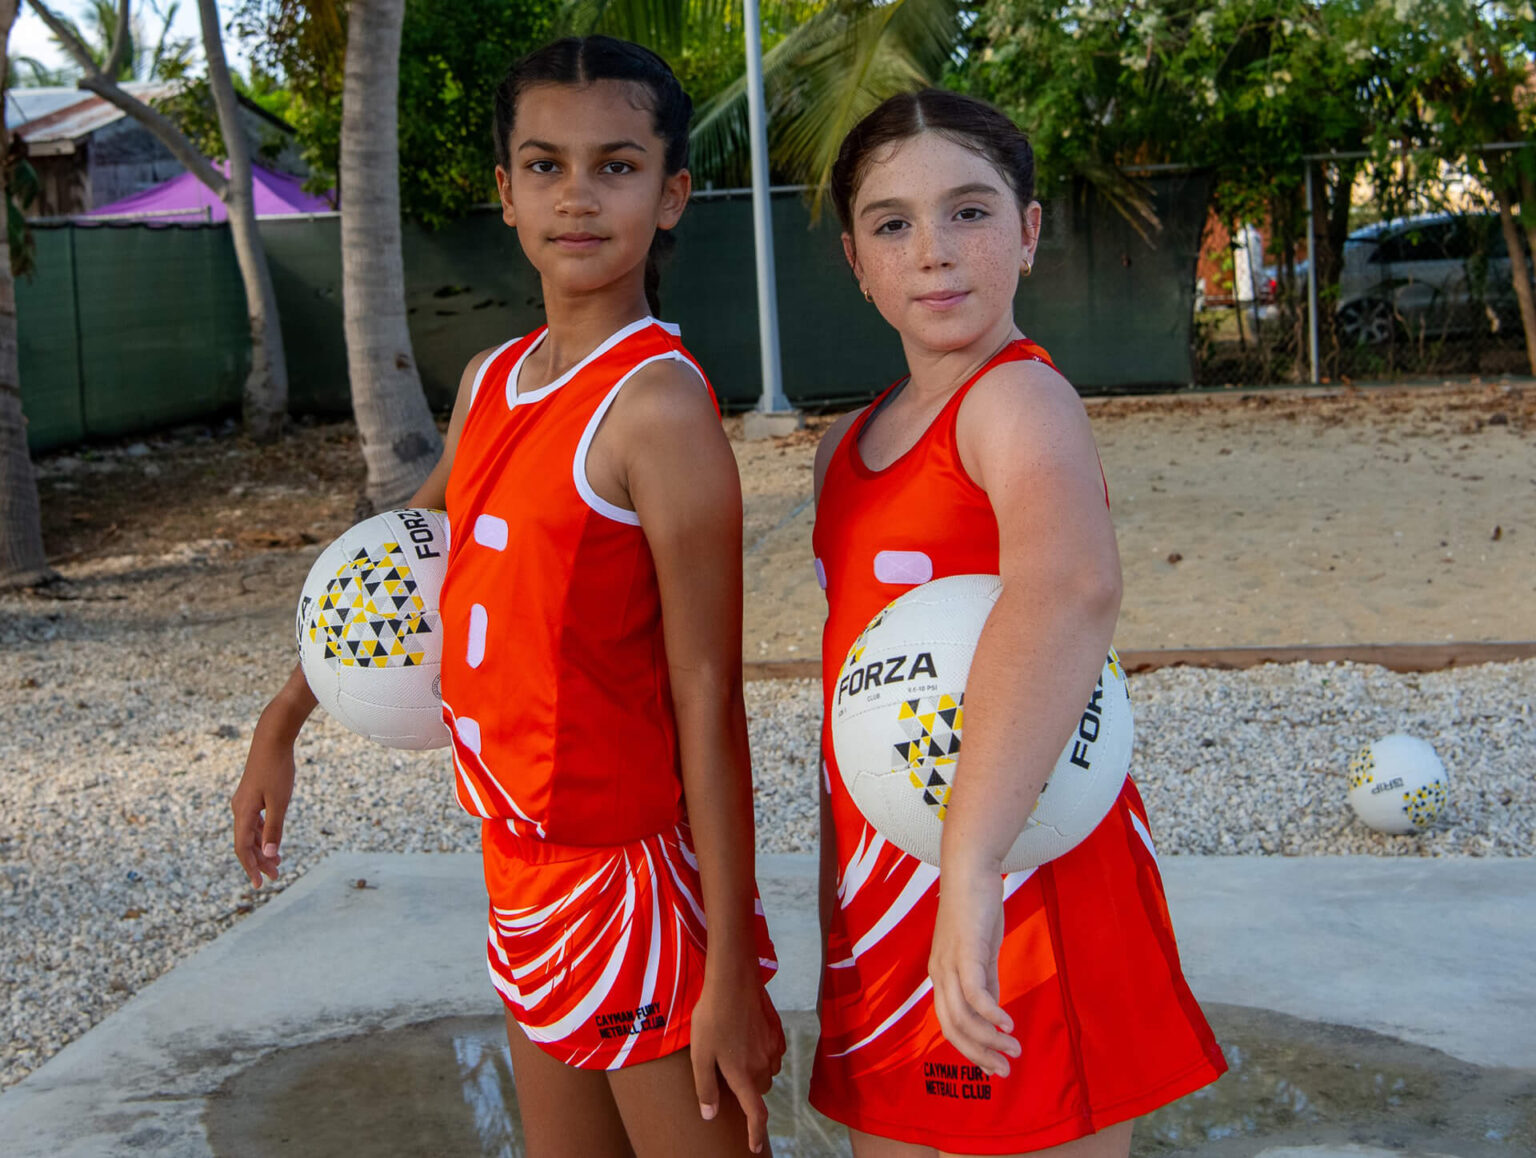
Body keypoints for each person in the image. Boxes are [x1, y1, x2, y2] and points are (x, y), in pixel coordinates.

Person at [231, 36, 784, 1158]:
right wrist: (283, 717)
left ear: (672, 193)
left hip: (631, 886)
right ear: (505, 192)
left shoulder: (657, 413)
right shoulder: (493, 380)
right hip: (519, 872)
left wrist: (726, 967)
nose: (578, 196)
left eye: (617, 166)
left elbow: (709, 701)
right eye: (545, 165)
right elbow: (392, 569)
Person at [809, 89, 1227, 1157]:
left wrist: (972, 867)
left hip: (1015, 874)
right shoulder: (843, 449)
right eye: (893, 223)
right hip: (899, 883)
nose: (934, 253)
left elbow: (1070, 586)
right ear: (856, 261)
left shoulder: (1016, 401)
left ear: (1029, 231)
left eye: (970, 212)